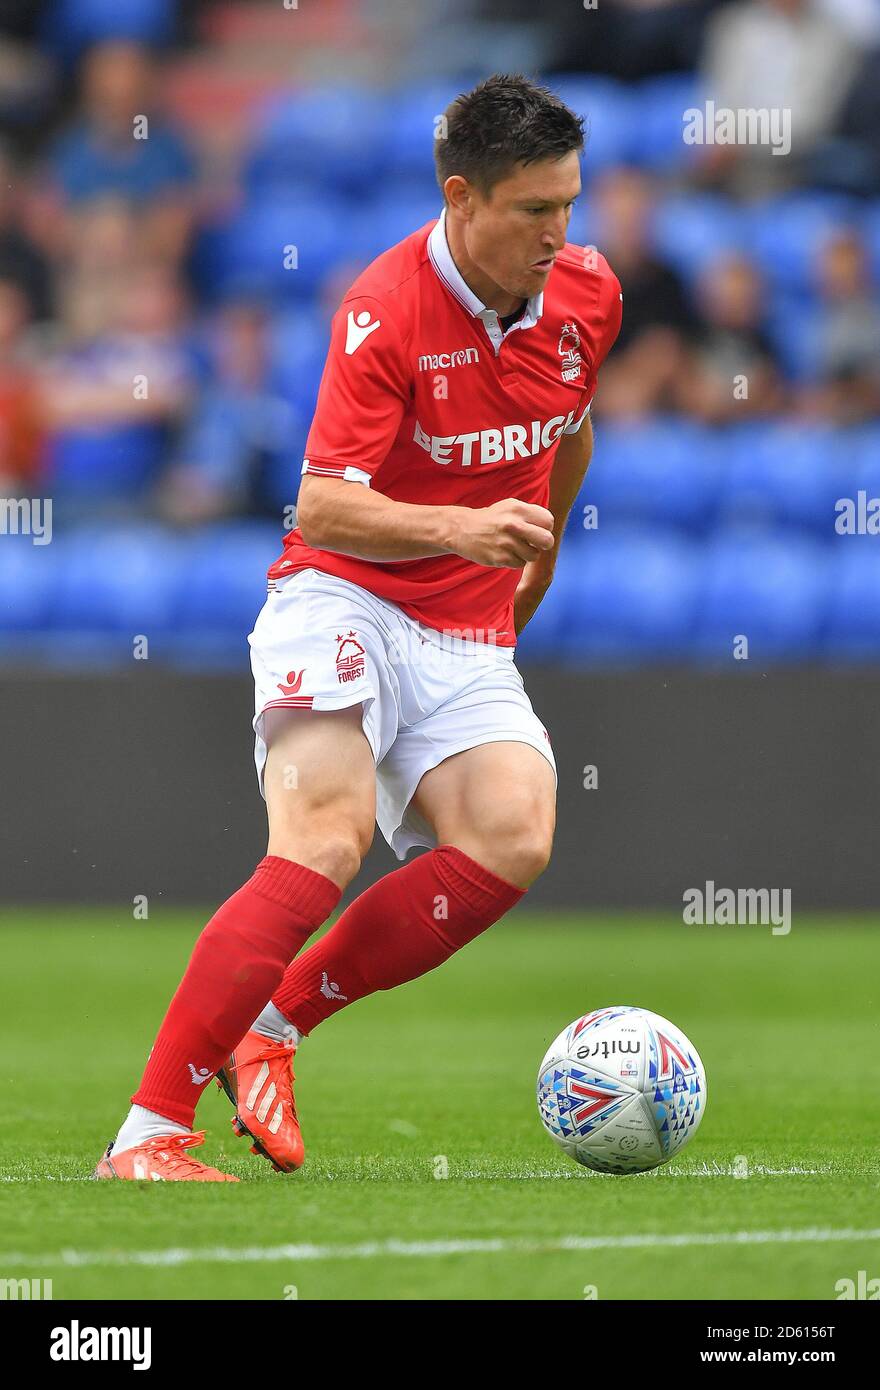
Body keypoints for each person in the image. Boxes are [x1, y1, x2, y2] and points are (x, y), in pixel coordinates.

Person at [95, 74, 622, 1182]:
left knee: (517, 833)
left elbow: (570, 432)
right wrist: (464, 528)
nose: (558, 234)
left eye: (570, 205)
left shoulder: (587, 294)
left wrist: (543, 547)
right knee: (325, 840)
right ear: (462, 196)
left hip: (464, 623)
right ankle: (147, 1134)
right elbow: (323, 504)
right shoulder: (384, 307)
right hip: (344, 595)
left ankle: (272, 1027)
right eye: (534, 210)